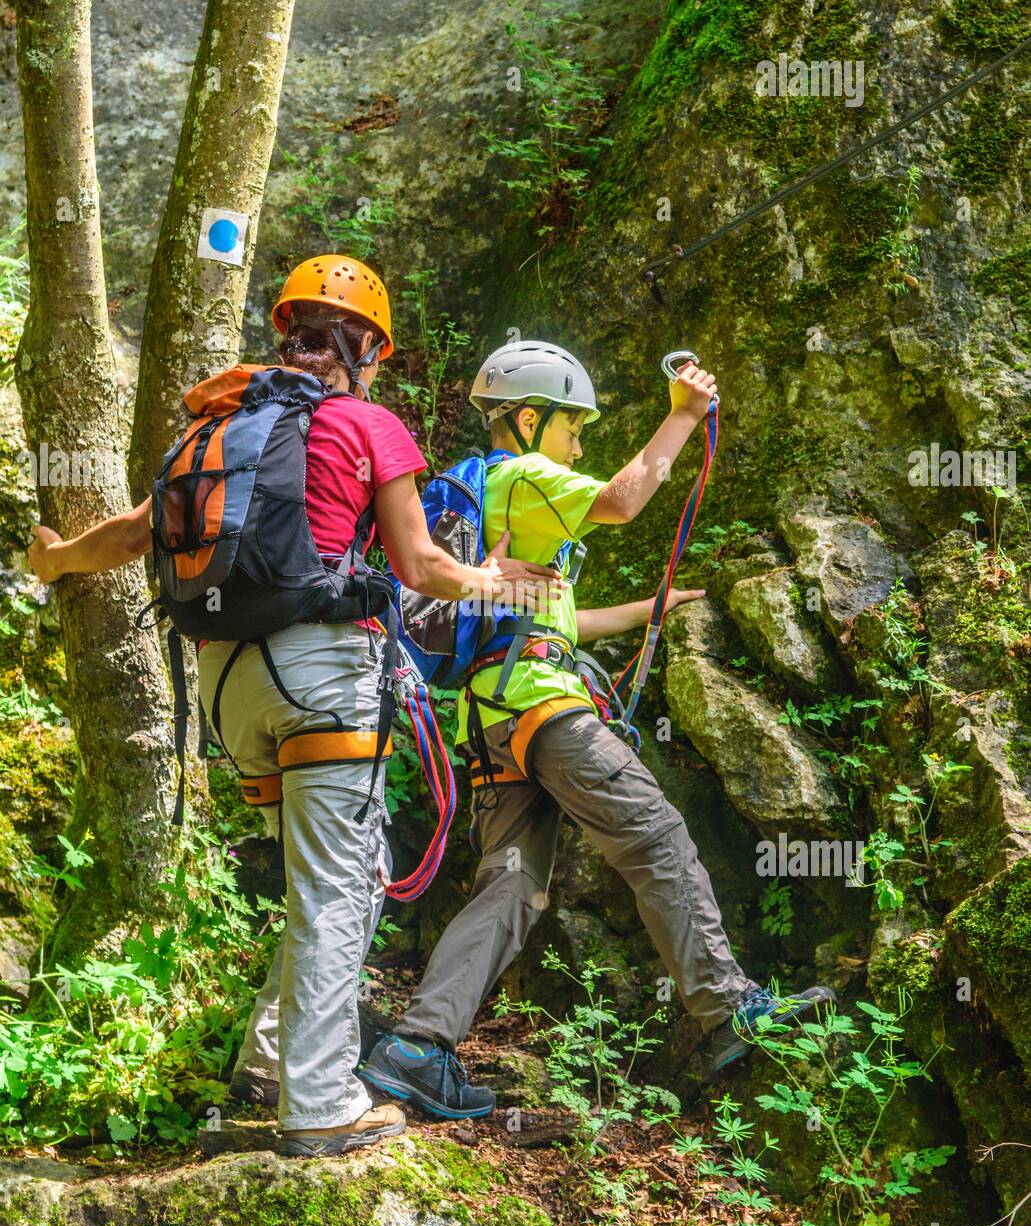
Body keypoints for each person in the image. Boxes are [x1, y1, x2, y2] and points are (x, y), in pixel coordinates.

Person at [26, 261, 560, 1157]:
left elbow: (129, 534)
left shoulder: (222, 430)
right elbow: (422, 567)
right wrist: (493, 579)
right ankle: (319, 1106)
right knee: (341, 884)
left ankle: (269, 1064)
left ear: (288, 338)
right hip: (319, 675)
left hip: (224, 684)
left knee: (318, 882)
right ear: (371, 349)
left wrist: (51, 562)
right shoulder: (367, 424)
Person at [360, 340, 835, 1116]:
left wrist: (656, 608)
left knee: (509, 889)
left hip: (490, 720)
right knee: (653, 833)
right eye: (570, 427)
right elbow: (623, 495)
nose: (578, 443)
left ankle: (417, 1046)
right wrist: (682, 416)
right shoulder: (521, 475)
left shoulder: (506, 505)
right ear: (524, 419)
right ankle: (725, 1003)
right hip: (544, 707)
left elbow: (561, 617)